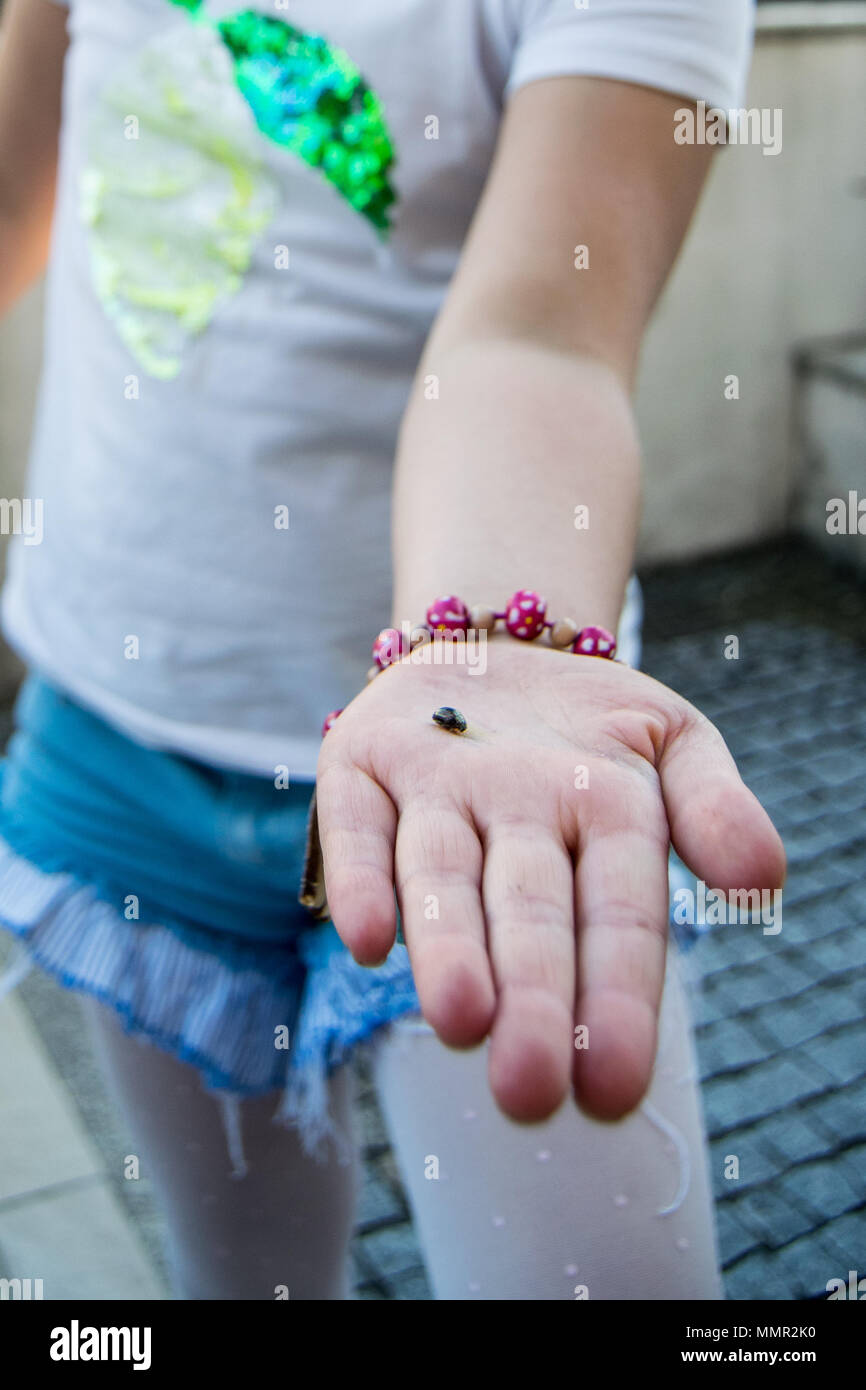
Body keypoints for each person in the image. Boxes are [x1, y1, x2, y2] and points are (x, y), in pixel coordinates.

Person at [0, 0, 784, 1300]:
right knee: (233, 1282)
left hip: (481, 794)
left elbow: (544, 325)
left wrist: (476, 656)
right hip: (115, 733)